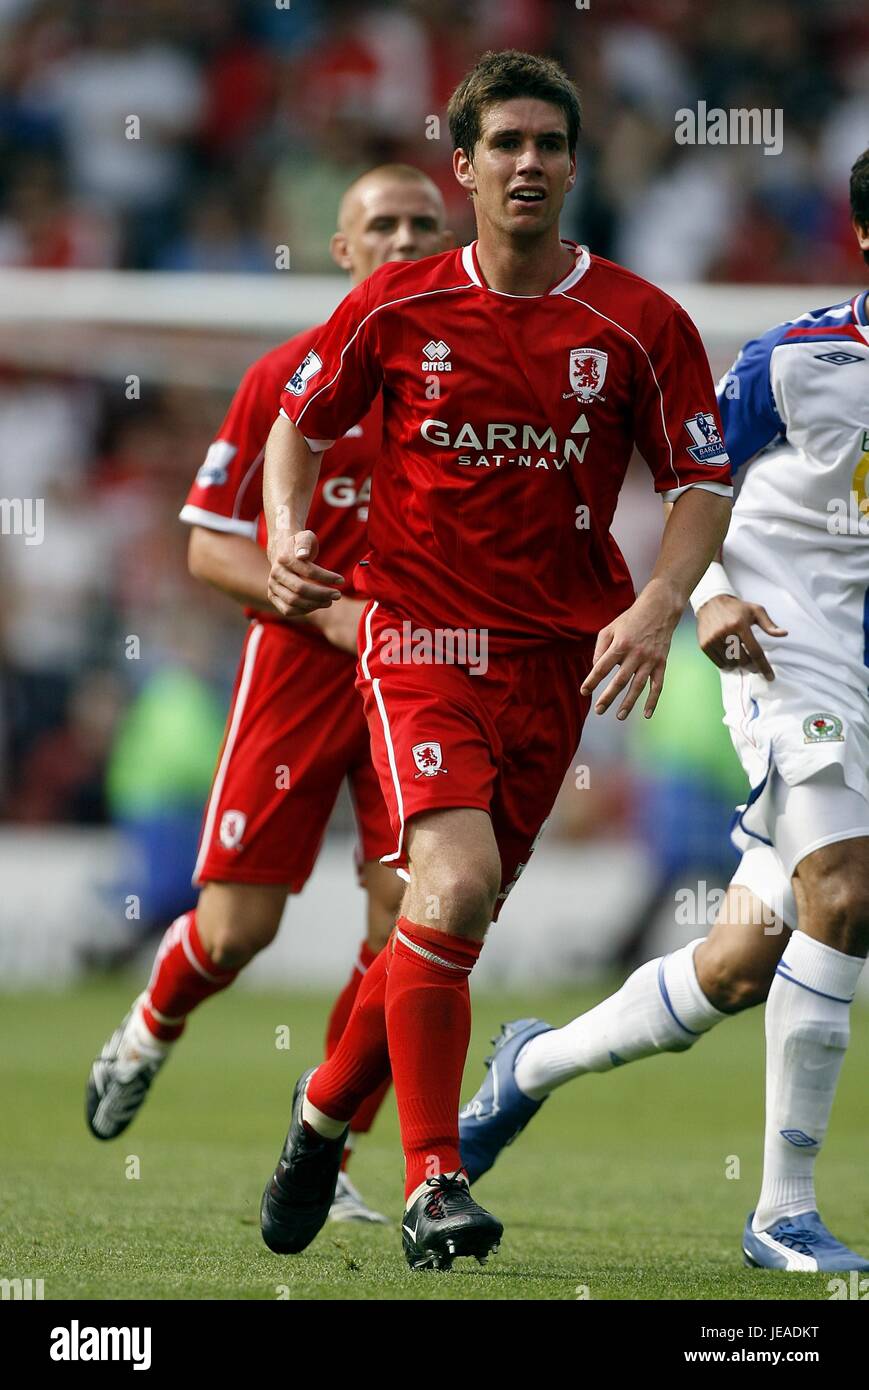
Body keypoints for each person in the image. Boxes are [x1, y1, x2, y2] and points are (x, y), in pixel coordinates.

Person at [260, 49, 732, 1270]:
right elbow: (296, 423)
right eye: (505, 144)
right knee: (454, 882)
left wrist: (660, 601)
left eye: (548, 144)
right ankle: (433, 1179)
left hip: (554, 666)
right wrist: (285, 533)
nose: (528, 163)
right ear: (462, 167)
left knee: (442, 921)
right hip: (417, 639)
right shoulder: (396, 303)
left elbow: (697, 480)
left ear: (571, 167)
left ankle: (321, 1111)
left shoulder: (638, 322)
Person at [459, 146, 869, 1275]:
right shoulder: (798, 360)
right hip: (786, 651)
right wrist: (709, 592)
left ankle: (527, 1067)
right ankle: (781, 1212)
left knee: (737, 966)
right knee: (845, 892)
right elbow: (691, 475)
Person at [86, 164, 451, 1225]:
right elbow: (208, 546)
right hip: (298, 668)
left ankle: (325, 1149)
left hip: (417, 673)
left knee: (413, 917)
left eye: (420, 225)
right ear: (342, 249)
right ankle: (150, 1028)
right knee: (237, 931)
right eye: (379, 225)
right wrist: (322, 610)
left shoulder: (465, 386)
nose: (401, 239)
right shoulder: (286, 376)